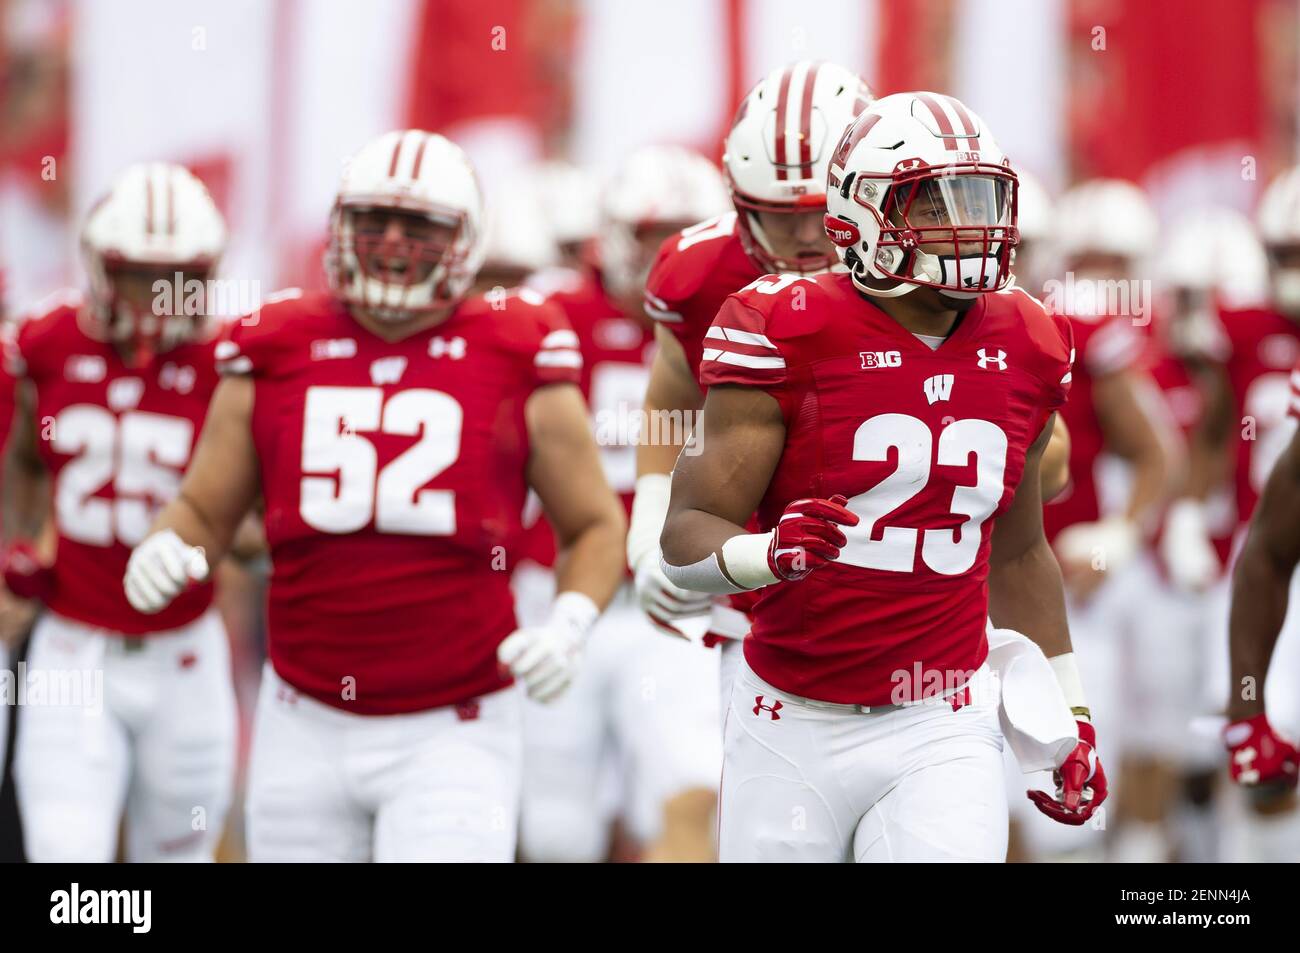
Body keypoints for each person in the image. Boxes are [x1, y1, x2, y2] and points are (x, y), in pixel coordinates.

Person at [123, 130, 626, 862]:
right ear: (339, 226)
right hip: (303, 713)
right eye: (373, 219)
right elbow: (206, 508)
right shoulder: (276, 342)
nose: (392, 240)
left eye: (419, 223)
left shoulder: (515, 345)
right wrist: (170, 542)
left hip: (454, 720)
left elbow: (592, 522)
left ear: (465, 235)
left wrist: (571, 620)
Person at [660, 92, 1103, 862]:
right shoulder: (785, 324)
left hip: (944, 716)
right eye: (931, 200)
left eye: (977, 195)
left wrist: (1068, 710)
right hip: (789, 716)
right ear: (858, 213)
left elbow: (1020, 551)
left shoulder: (1030, 336)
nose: (967, 222)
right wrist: (768, 553)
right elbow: (683, 537)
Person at [2, 163, 237, 862]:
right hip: (74, 646)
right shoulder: (44, 343)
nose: (159, 297)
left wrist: (201, 545)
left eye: (179, 276)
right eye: (138, 274)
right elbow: (21, 456)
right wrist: (25, 537)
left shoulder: (229, 360)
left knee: (178, 857)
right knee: (66, 860)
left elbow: (253, 515)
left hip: (186, 650)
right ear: (101, 268)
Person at [633, 61, 875, 719]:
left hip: (919, 583)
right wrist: (650, 519)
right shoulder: (699, 271)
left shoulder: (930, 272)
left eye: (821, 211)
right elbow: (672, 403)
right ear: (739, 201)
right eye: (778, 214)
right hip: (761, 591)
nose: (803, 237)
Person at [518, 145, 729, 862]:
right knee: (554, 829)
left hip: (675, 598)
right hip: (560, 591)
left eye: (682, 231)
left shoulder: (743, 320)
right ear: (608, 231)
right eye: (648, 232)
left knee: (691, 786)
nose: (665, 251)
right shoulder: (546, 315)